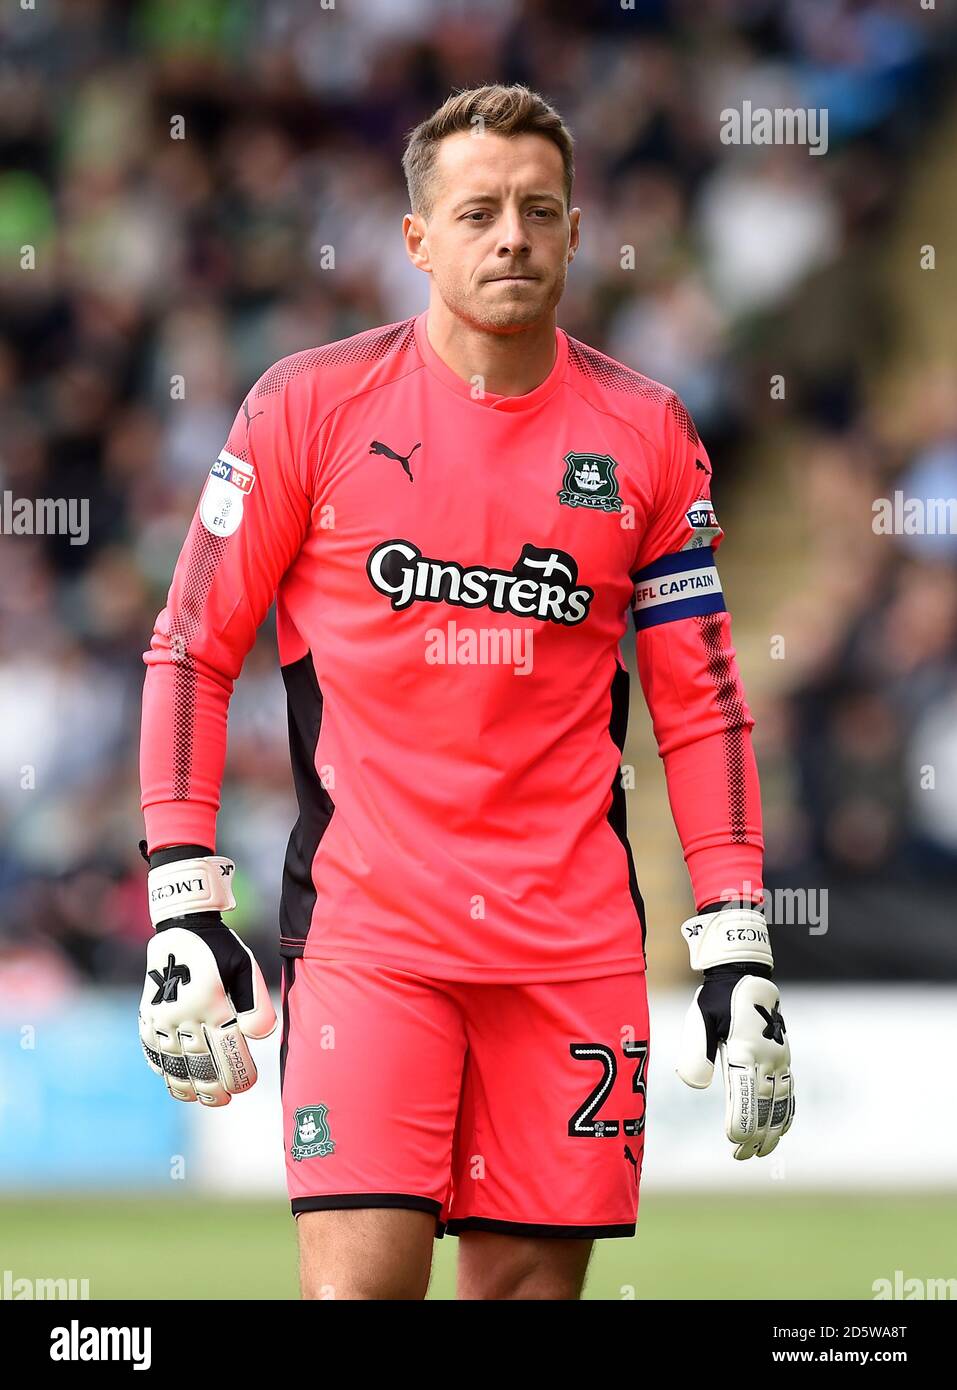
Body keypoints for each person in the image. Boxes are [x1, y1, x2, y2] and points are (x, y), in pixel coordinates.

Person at [138, 83, 794, 1302]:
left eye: (540, 211)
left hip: (573, 948)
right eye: (480, 210)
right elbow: (190, 647)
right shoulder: (306, 408)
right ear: (416, 239)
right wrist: (182, 898)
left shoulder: (647, 434)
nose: (512, 237)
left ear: (577, 232)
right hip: (372, 935)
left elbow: (701, 703)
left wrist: (736, 938)